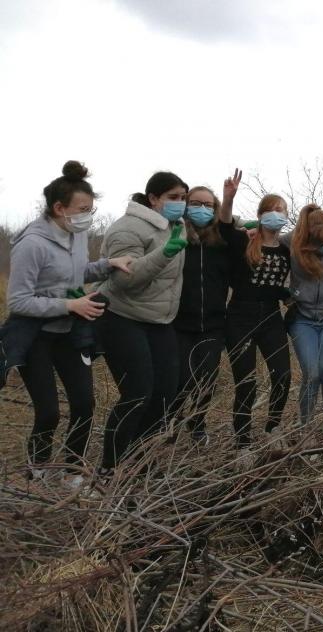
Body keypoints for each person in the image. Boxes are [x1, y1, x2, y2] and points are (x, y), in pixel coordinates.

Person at [4, 161, 130, 485]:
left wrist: (106, 265)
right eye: (83, 209)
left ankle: (73, 473)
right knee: (48, 412)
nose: (88, 215)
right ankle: (38, 471)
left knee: (85, 405)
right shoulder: (31, 245)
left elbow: (78, 272)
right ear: (60, 208)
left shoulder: (77, 234)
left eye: (91, 208)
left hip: (68, 332)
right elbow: (18, 301)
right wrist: (68, 303)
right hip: (36, 336)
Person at [96, 170, 189, 473]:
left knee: (165, 394)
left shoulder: (177, 225)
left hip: (159, 321)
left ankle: (138, 465)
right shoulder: (127, 228)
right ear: (153, 198)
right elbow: (126, 280)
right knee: (138, 392)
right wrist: (164, 253)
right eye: (173, 198)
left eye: (183, 198)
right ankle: (109, 469)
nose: (180, 204)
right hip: (121, 316)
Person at [217, 172, 292, 456]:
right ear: (260, 215)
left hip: (271, 318)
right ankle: (243, 443)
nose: (275, 214)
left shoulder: (286, 250)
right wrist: (228, 199)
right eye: (270, 210)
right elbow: (224, 226)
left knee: (283, 376)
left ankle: (273, 428)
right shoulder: (244, 241)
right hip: (240, 317)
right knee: (246, 383)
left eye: (280, 210)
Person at [170, 183, 229, 444]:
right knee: (179, 380)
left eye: (208, 204)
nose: (202, 209)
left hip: (213, 323)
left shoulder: (222, 241)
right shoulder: (175, 235)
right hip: (178, 322)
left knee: (207, 380)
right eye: (195, 203)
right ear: (185, 205)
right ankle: (170, 424)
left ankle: (198, 424)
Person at [287, 204, 323, 430]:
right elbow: (267, 236)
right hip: (303, 318)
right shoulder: (294, 242)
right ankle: (307, 427)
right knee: (311, 374)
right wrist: (249, 228)